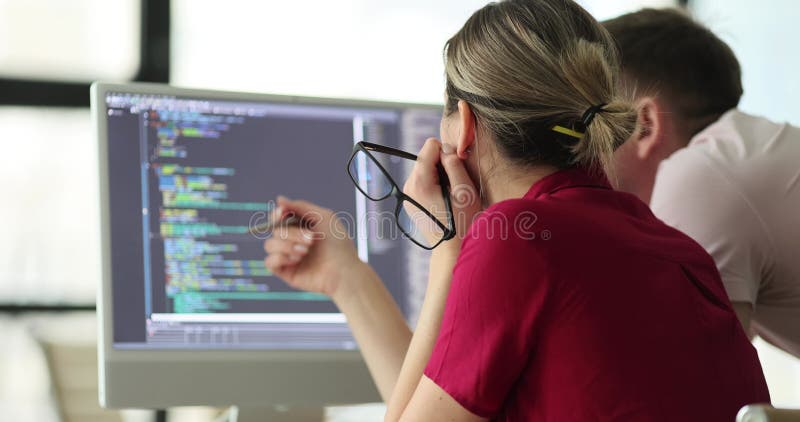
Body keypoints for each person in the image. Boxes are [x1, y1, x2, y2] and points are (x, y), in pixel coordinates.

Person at [263, 1, 769, 420]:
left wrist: (450, 250)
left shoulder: (515, 238)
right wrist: (347, 277)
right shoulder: (676, 246)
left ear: (463, 126)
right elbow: (438, 397)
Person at [604, 8, 800, 358]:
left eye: (587, 119)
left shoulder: (702, 175)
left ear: (644, 124)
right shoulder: (745, 154)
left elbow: (684, 384)